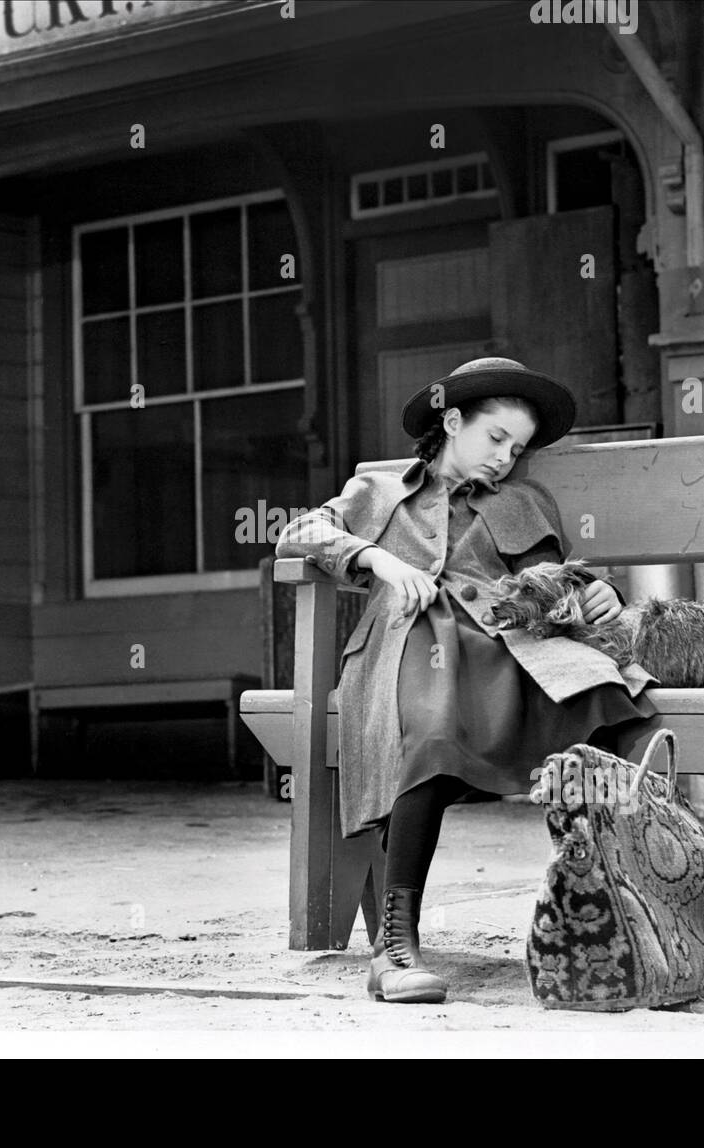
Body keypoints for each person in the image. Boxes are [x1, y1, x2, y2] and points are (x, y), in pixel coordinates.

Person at [275, 357, 658, 1004]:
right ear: (452, 422)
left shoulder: (523, 501)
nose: (506, 458)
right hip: (410, 640)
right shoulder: (377, 492)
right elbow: (300, 531)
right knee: (428, 730)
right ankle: (395, 947)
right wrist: (375, 560)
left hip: (509, 645)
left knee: (614, 704)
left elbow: (556, 581)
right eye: (495, 438)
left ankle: (614, 925)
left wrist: (598, 594)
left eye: (518, 448)